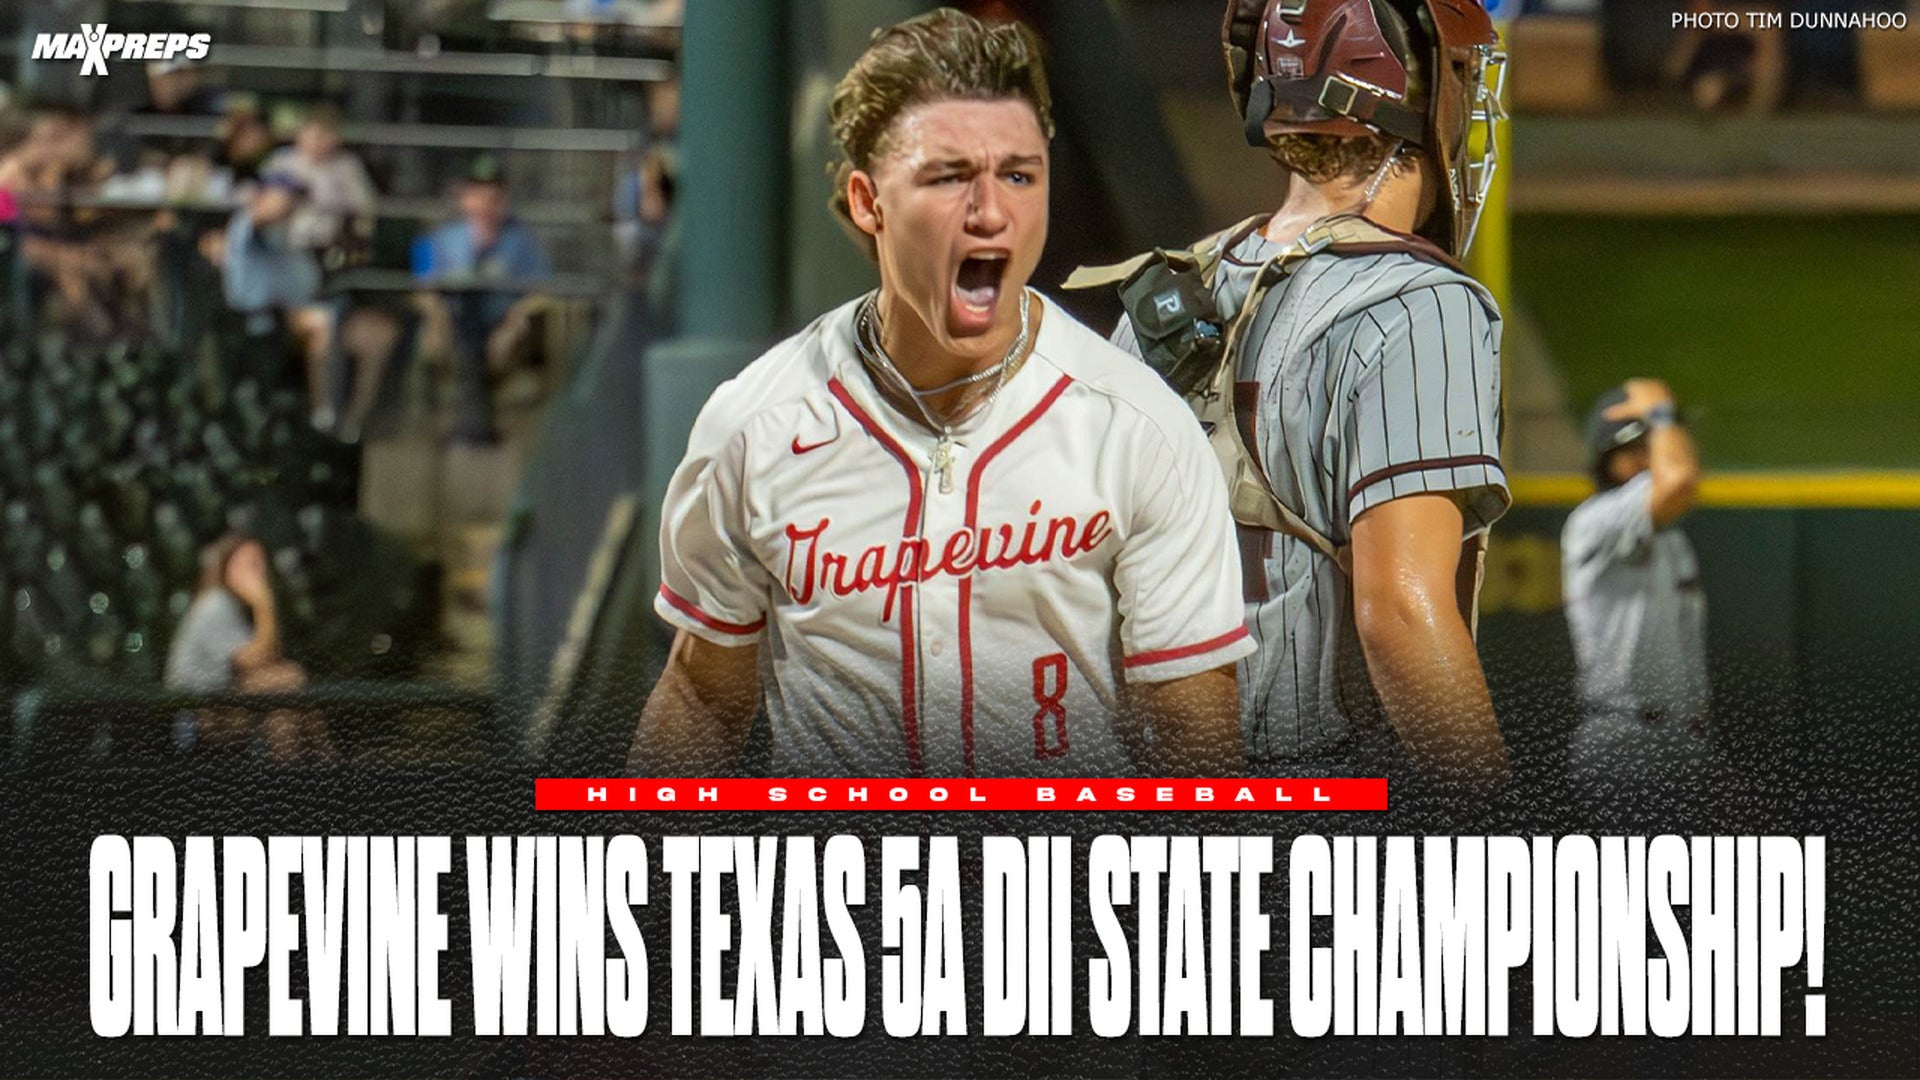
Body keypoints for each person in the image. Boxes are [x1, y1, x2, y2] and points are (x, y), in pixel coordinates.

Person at [628, 8, 1253, 779]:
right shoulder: (756, 424)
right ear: (868, 202)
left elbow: (1201, 753)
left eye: (1019, 176)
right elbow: (700, 696)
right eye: (949, 176)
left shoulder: (1137, 428)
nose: (992, 212)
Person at [1084, 0, 1511, 793]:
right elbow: (1402, 619)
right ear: (1398, 100)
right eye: (1456, 76)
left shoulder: (1163, 296)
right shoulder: (1419, 304)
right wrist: (1496, 827)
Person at [1561, 379, 1710, 784]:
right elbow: (1678, 481)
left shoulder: (1672, 539)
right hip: (1624, 742)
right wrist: (1661, 411)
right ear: (1610, 456)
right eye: (1641, 446)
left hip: (1683, 740)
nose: (1655, 455)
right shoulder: (1595, 519)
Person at [413, 155, 554, 443]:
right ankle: (455, 426)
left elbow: (541, 290)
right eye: (477, 194)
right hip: (455, 323)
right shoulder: (439, 239)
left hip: (500, 324)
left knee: (496, 346)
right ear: (464, 198)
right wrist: (437, 316)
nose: (485, 203)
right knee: (445, 343)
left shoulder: (522, 241)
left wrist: (515, 319)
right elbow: (421, 287)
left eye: (494, 195)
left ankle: (475, 425)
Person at [165, 535, 333, 761]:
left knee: (282, 703)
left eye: (261, 563)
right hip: (197, 711)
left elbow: (270, 659)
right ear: (228, 568)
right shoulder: (215, 604)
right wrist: (264, 603)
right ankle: (324, 764)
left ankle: (307, 773)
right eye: (251, 564)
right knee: (290, 680)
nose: (259, 572)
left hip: (225, 699)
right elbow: (253, 661)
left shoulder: (236, 606)